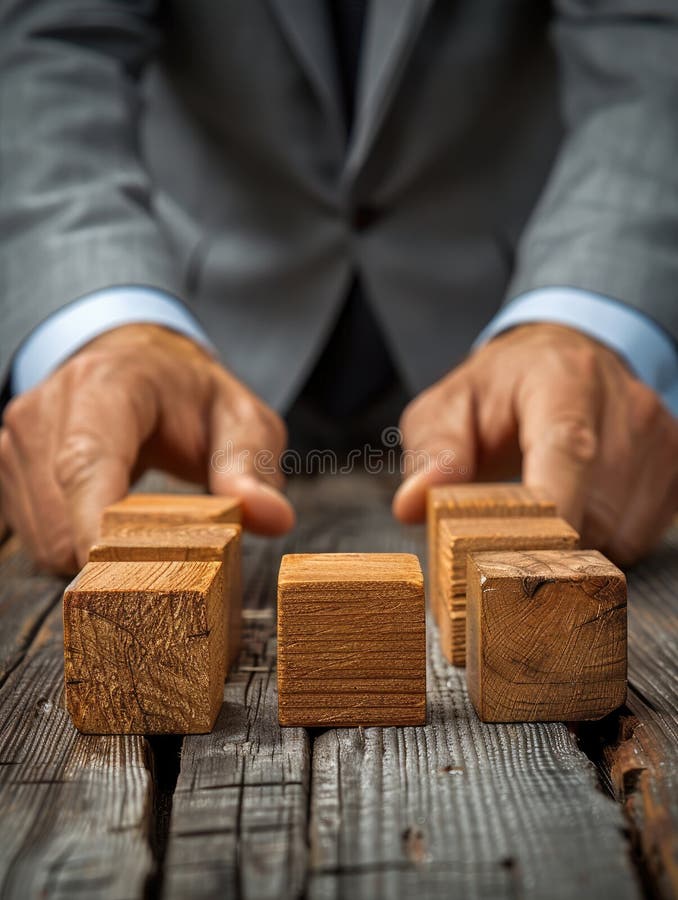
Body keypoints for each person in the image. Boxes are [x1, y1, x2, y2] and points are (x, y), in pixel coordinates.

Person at [0, 1, 677, 574]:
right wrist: (101, 321)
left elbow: (649, 43)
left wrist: (586, 316)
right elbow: (49, 46)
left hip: (507, 387)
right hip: (183, 387)